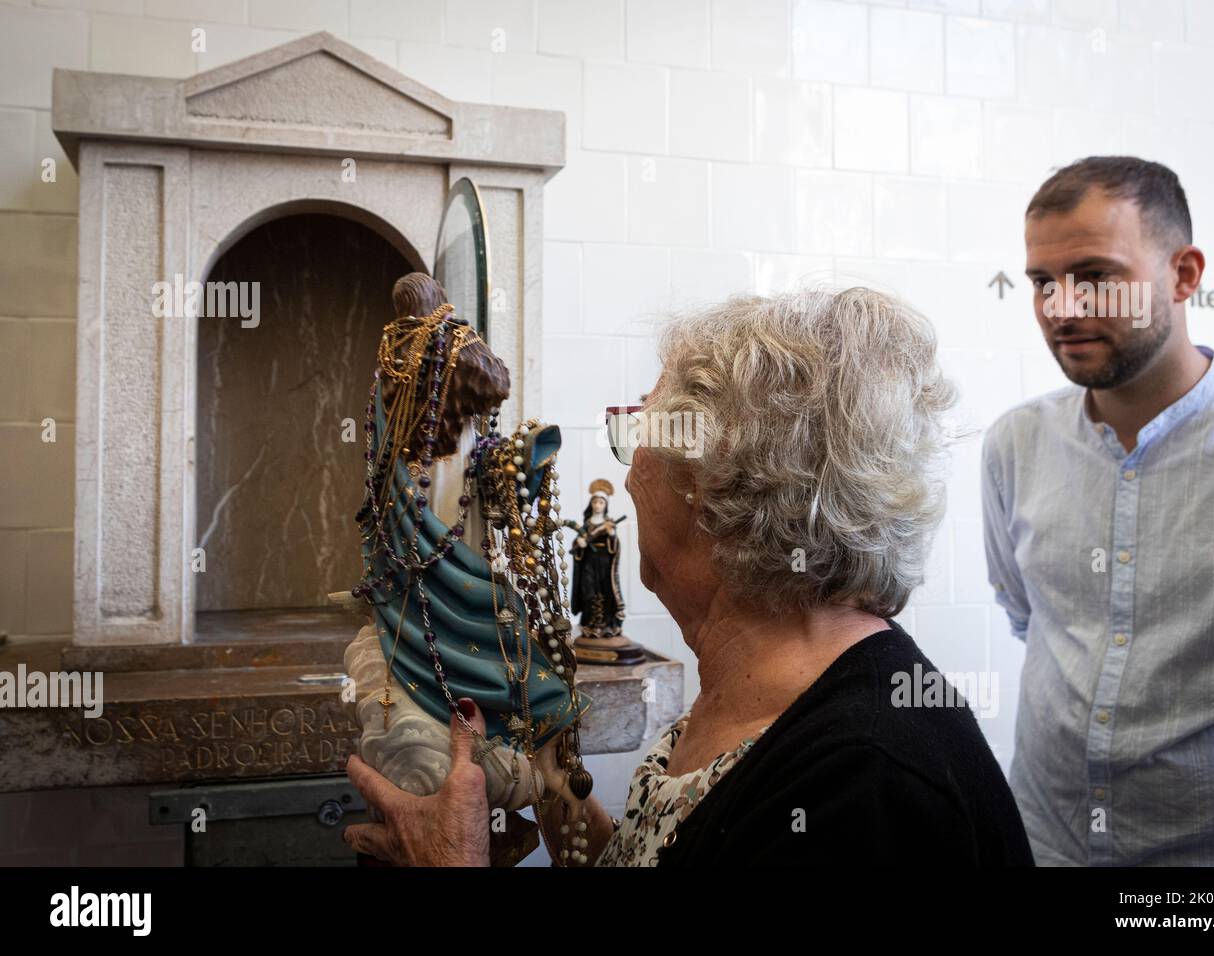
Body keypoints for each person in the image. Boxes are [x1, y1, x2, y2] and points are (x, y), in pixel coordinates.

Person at [345, 286, 1034, 866]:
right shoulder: (763, 693)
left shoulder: (868, 789)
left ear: (705, 480)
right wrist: (557, 776)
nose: (626, 468)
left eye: (636, 427)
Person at [982, 156, 1214, 865]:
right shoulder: (1016, 443)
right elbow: (1029, 617)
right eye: (1043, 283)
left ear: (1184, 275)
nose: (1062, 309)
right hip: (1048, 845)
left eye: (1095, 277)